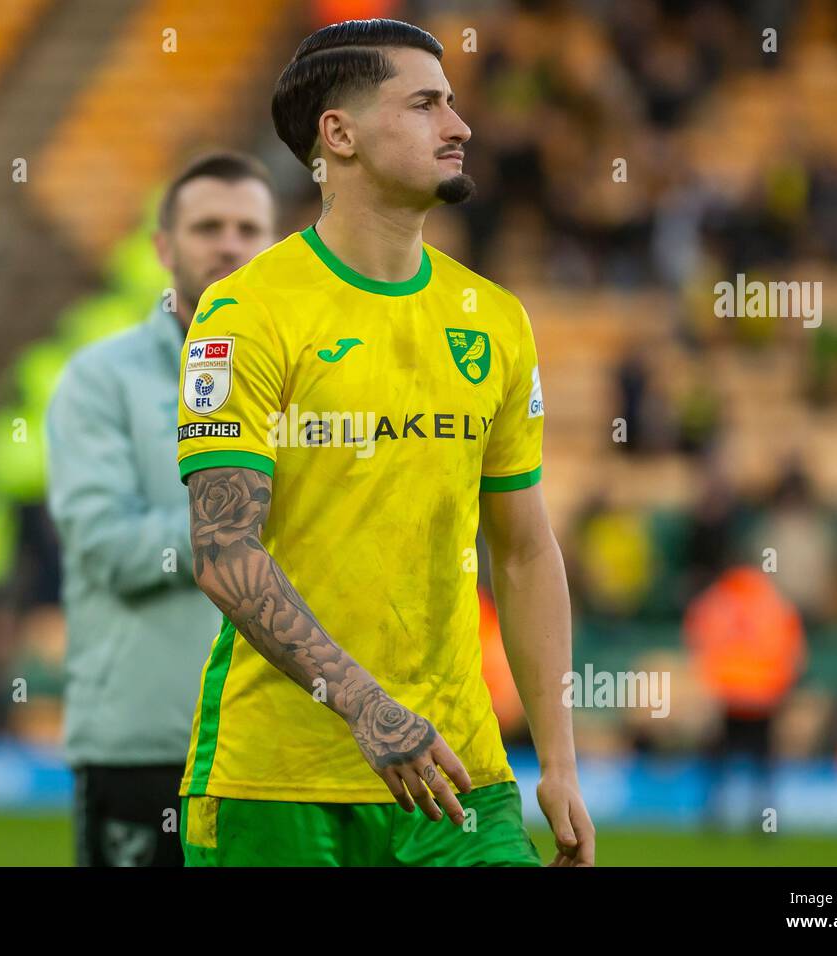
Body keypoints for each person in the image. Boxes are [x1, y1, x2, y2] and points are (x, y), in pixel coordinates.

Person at [175, 18, 593, 866]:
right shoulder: (248, 312)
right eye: (426, 103)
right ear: (341, 134)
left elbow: (523, 553)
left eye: (453, 103)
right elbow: (223, 551)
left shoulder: (496, 320)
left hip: (459, 778)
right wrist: (367, 708)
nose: (460, 125)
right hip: (279, 785)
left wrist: (558, 763)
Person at [46, 152, 277, 866]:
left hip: (280, 753)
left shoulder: (307, 382)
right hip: (146, 744)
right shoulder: (98, 380)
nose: (231, 244)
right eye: (208, 226)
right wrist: (241, 526)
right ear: (163, 247)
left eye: (249, 228)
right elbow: (109, 546)